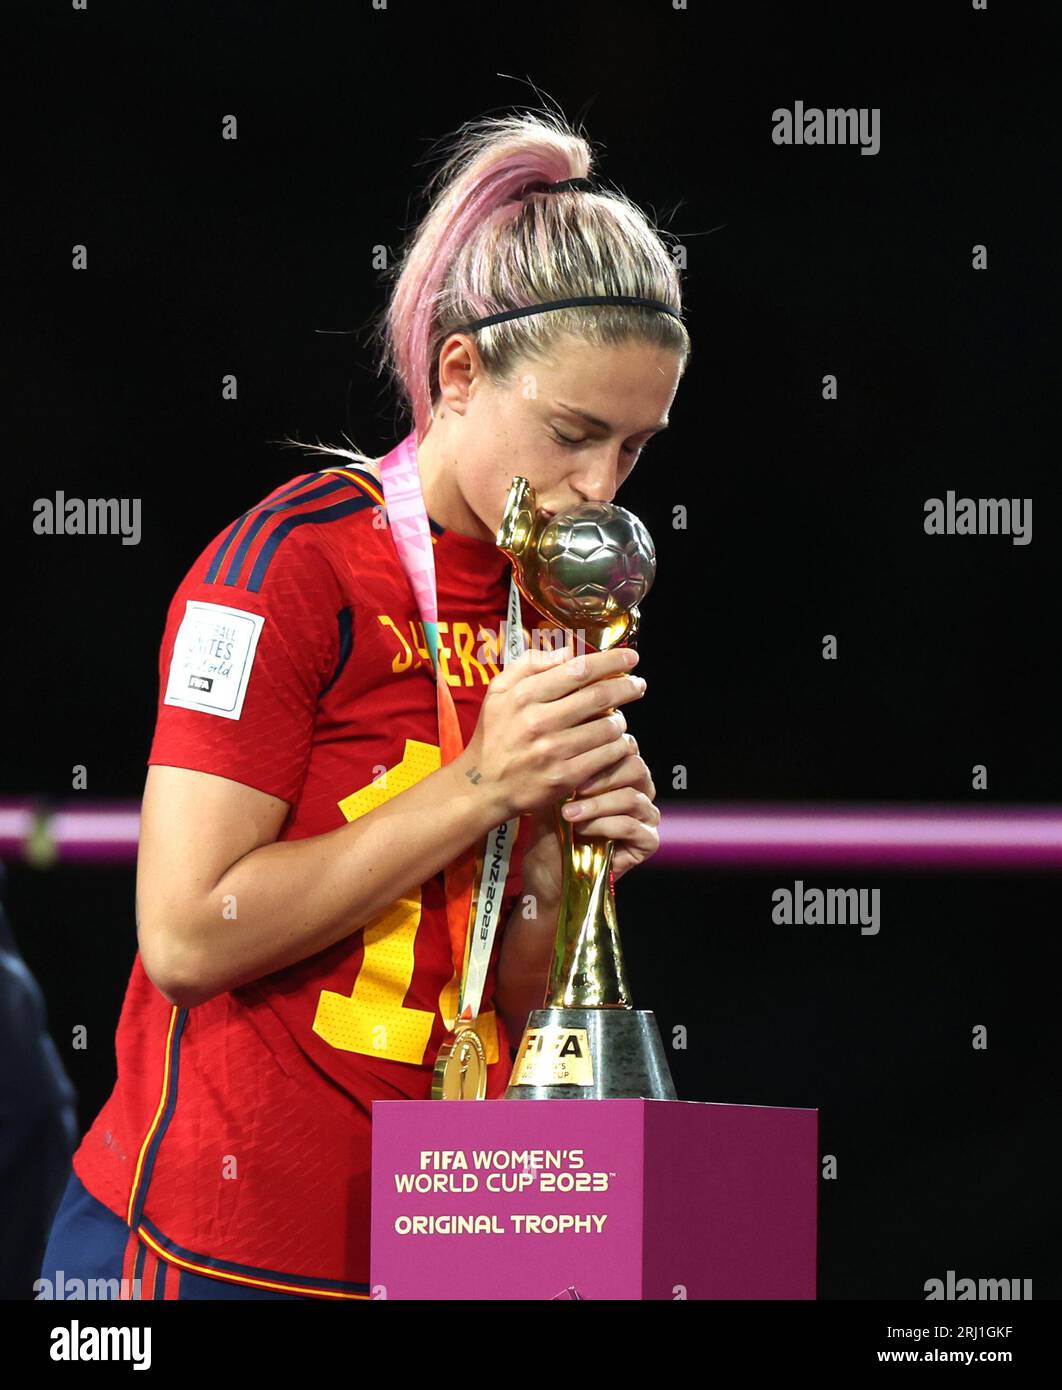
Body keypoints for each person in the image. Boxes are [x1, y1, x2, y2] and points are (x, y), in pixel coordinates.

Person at [39, 106, 690, 1300]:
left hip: (460, 1236)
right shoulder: (284, 569)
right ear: (457, 373)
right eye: (573, 433)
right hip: (223, 1247)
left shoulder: (554, 600)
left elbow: (522, 991)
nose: (600, 489)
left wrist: (568, 857)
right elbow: (185, 936)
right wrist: (485, 785)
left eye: (638, 449)